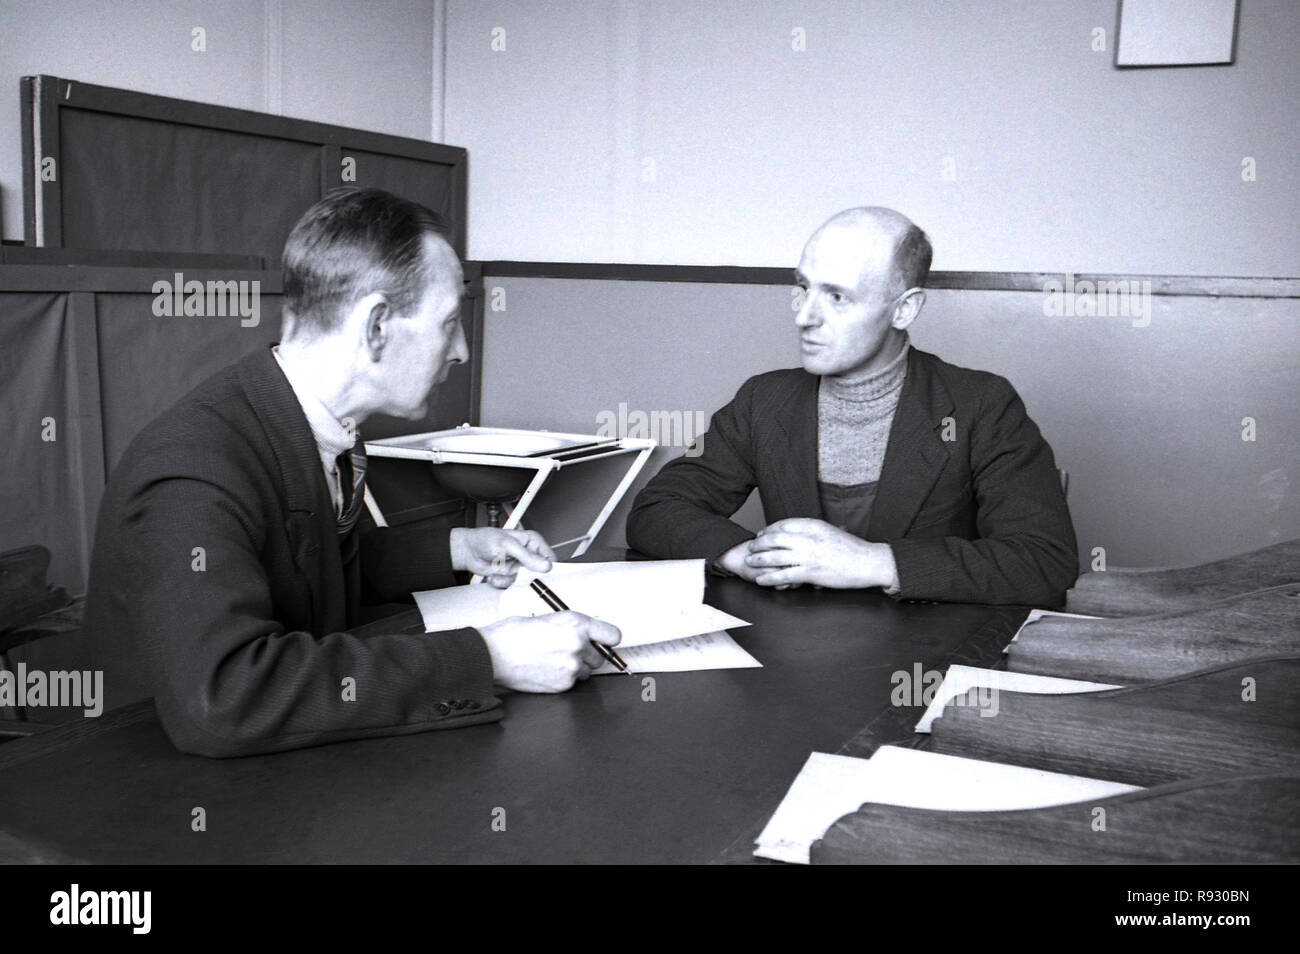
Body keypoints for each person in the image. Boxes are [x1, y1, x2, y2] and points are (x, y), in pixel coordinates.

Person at [83, 188, 619, 757]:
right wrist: (489, 659)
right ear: (377, 327)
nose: (460, 349)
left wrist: (457, 549)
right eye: (449, 323)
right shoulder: (195, 467)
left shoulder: (300, 421)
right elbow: (225, 697)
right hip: (153, 787)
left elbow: (306, 571)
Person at [625, 207, 1077, 607]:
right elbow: (655, 511)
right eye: (803, 288)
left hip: (923, 664)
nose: (804, 316)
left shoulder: (982, 405)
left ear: (904, 310)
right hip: (789, 666)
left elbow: (1043, 562)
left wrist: (870, 562)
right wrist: (742, 555)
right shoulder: (763, 400)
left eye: (837, 297)